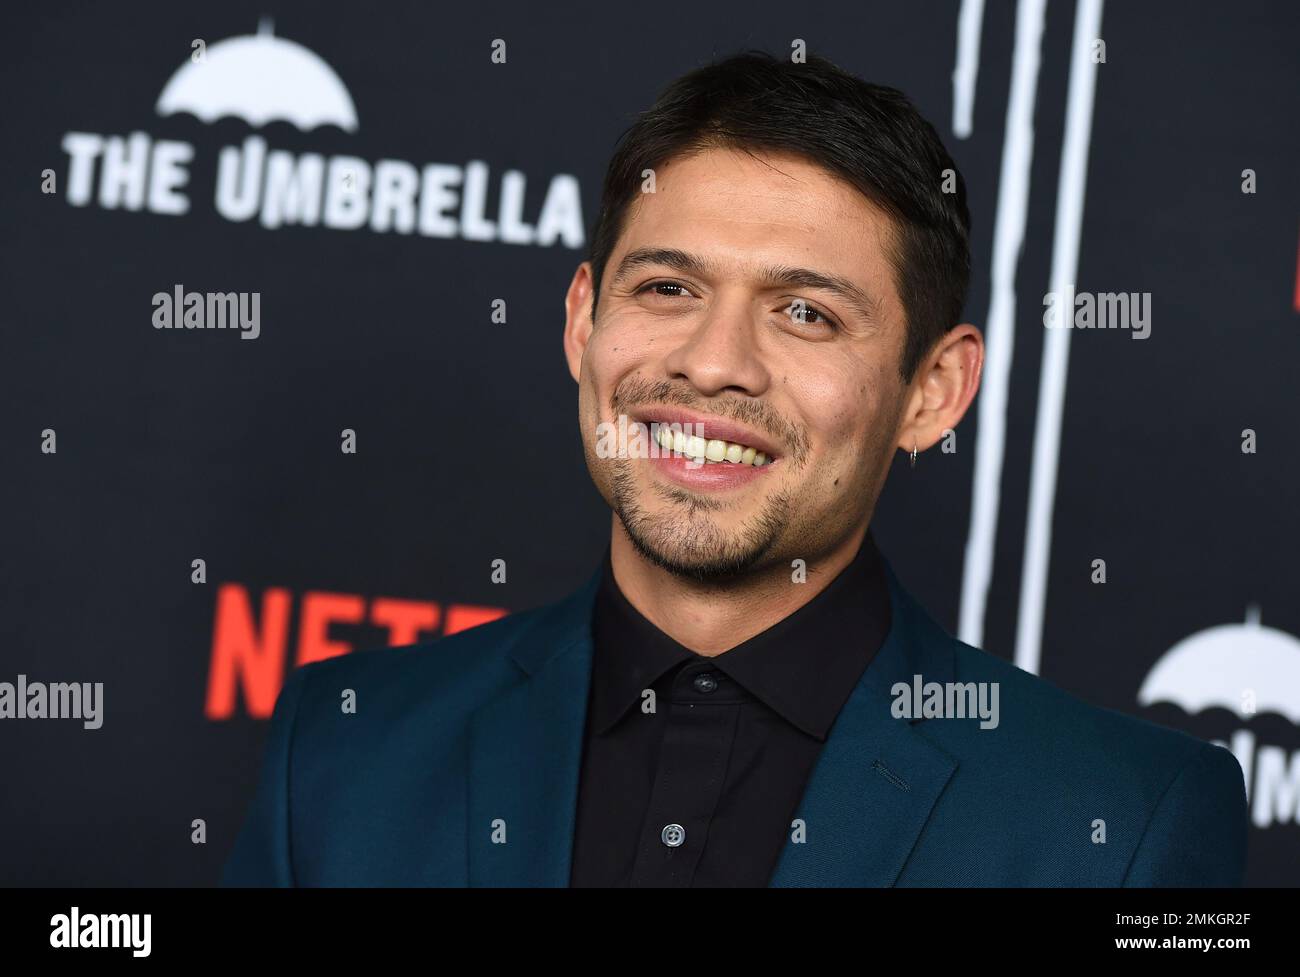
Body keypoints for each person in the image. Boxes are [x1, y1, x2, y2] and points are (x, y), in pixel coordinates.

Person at [221, 51, 1246, 887]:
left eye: (804, 312)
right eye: (666, 286)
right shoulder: (348, 744)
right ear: (584, 319)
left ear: (931, 390)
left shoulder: (1124, 821)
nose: (713, 362)